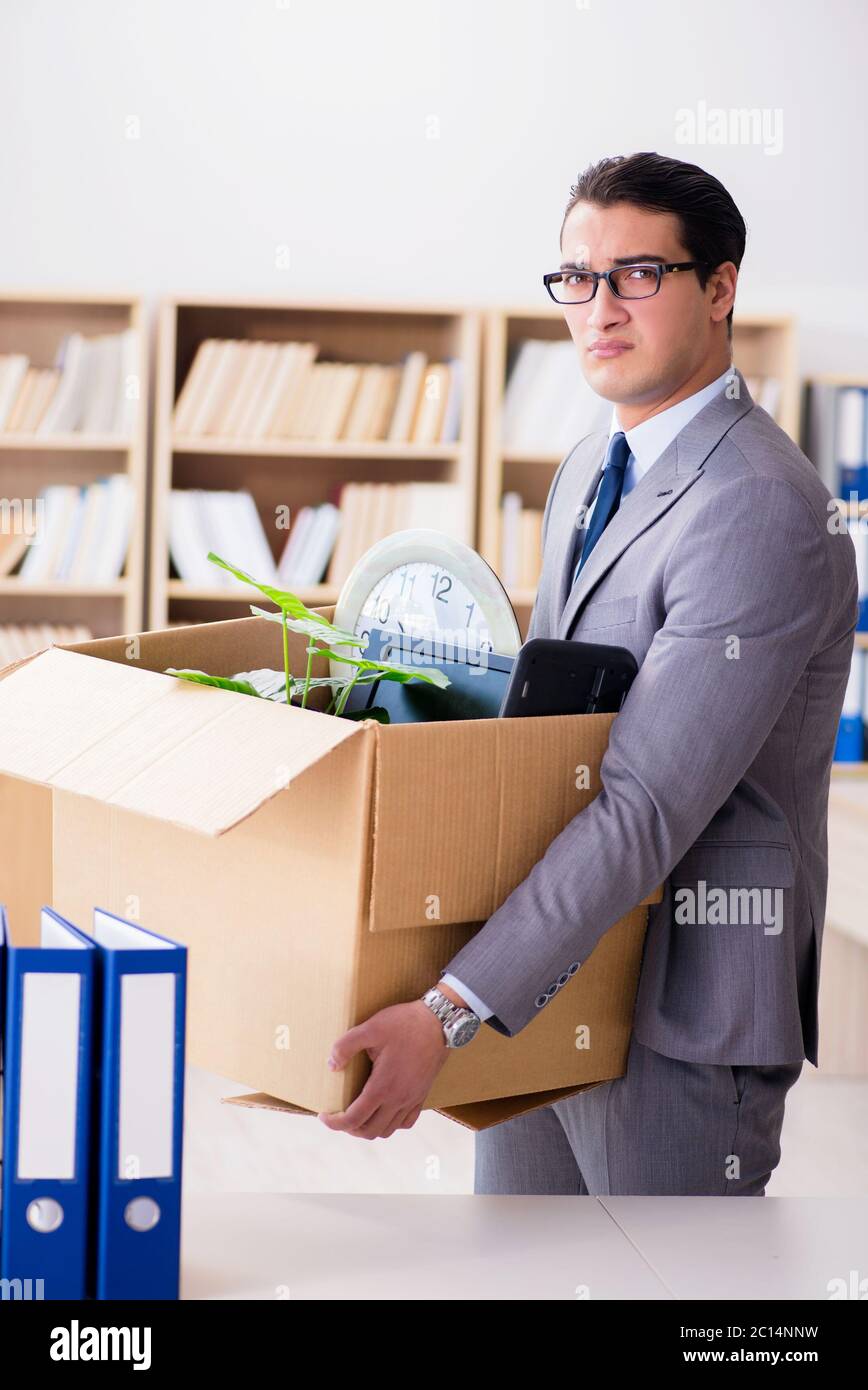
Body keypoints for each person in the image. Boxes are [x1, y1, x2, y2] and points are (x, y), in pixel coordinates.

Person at [320, 152, 858, 1196]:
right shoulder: (582, 471)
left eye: (636, 274)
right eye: (576, 276)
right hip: (551, 977)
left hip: (682, 1012)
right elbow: (552, 736)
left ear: (719, 288)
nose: (597, 307)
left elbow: (643, 802)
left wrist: (448, 1008)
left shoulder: (756, 506)